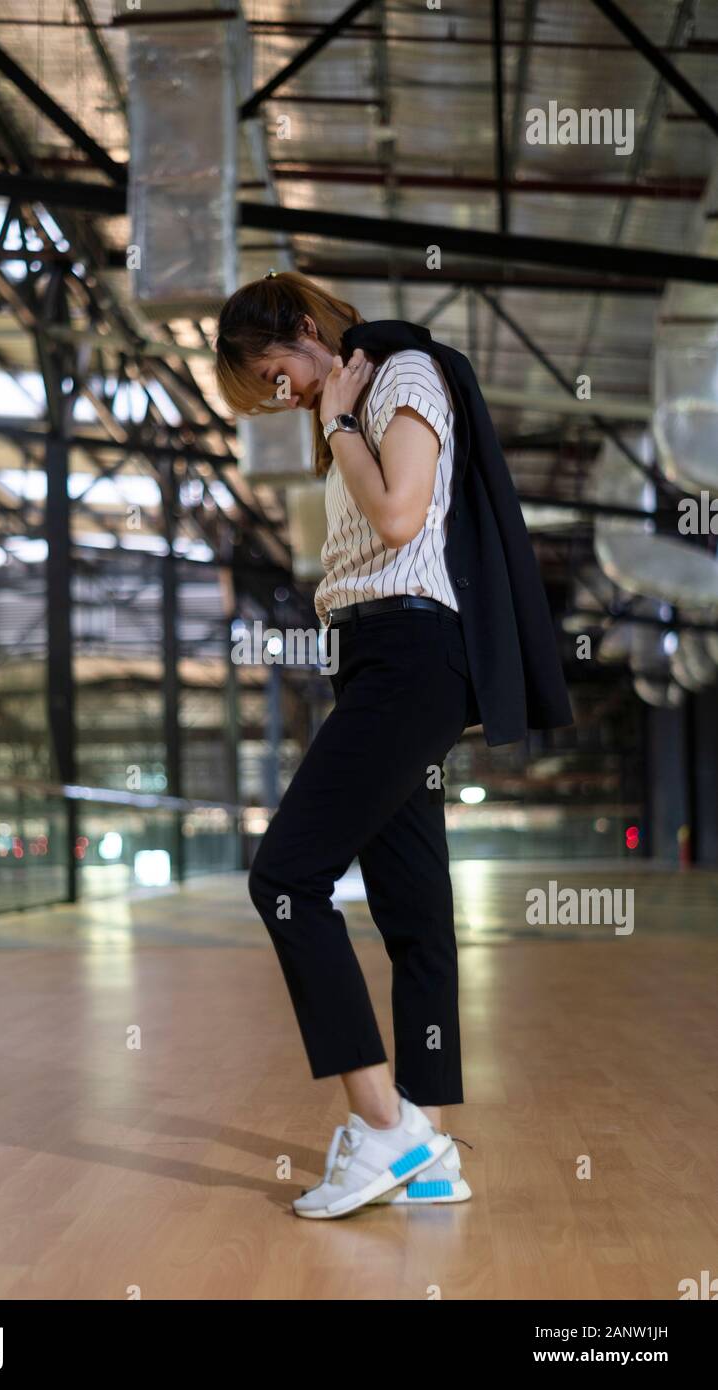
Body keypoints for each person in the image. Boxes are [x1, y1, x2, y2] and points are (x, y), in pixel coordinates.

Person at [214, 270, 571, 1219]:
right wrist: (332, 422)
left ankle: (380, 1131)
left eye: (275, 375)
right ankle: (432, 1147)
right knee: (412, 907)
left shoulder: (404, 374)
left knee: (284, 879)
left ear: (302, 329)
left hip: (411, 652)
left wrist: (335, 424)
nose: (280, 397)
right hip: (380, 657)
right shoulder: (355, 403)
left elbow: (404, 515)